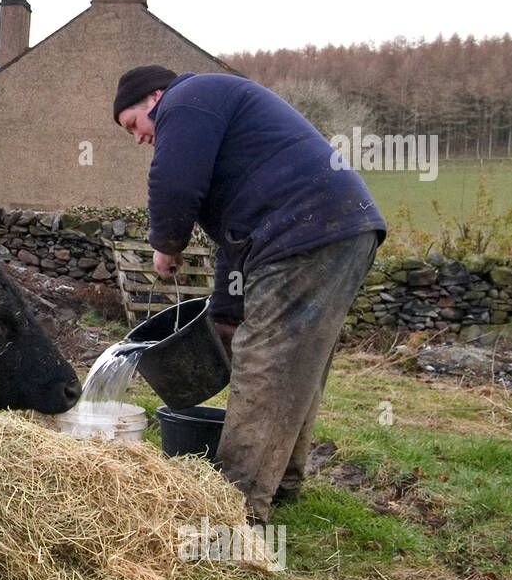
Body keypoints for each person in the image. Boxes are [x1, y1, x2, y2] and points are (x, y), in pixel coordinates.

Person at [113, 66, 387, 524]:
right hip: (338, 226)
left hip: (307, 228)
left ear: (154, 98)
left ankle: (233, 509)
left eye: (133, 125)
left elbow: (173, 183)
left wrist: (165, 244)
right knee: (299, 362)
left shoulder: (187, 97)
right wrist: (225, 314)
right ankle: (282, 483)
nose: (138, 138)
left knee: (267, 361)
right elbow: (232, 242)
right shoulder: (215, 115)